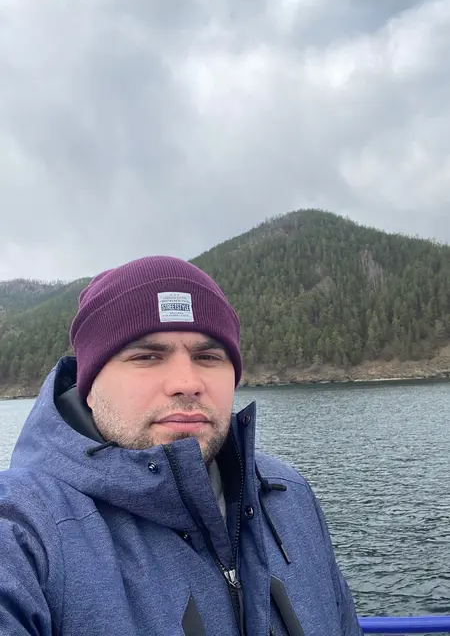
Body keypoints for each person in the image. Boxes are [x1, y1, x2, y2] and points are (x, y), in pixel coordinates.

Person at [0, 256, 362, 635]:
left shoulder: (290, 494)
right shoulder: (24, 533)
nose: (187, 383)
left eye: (208, 356)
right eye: (146, 356)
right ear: (89, 388)